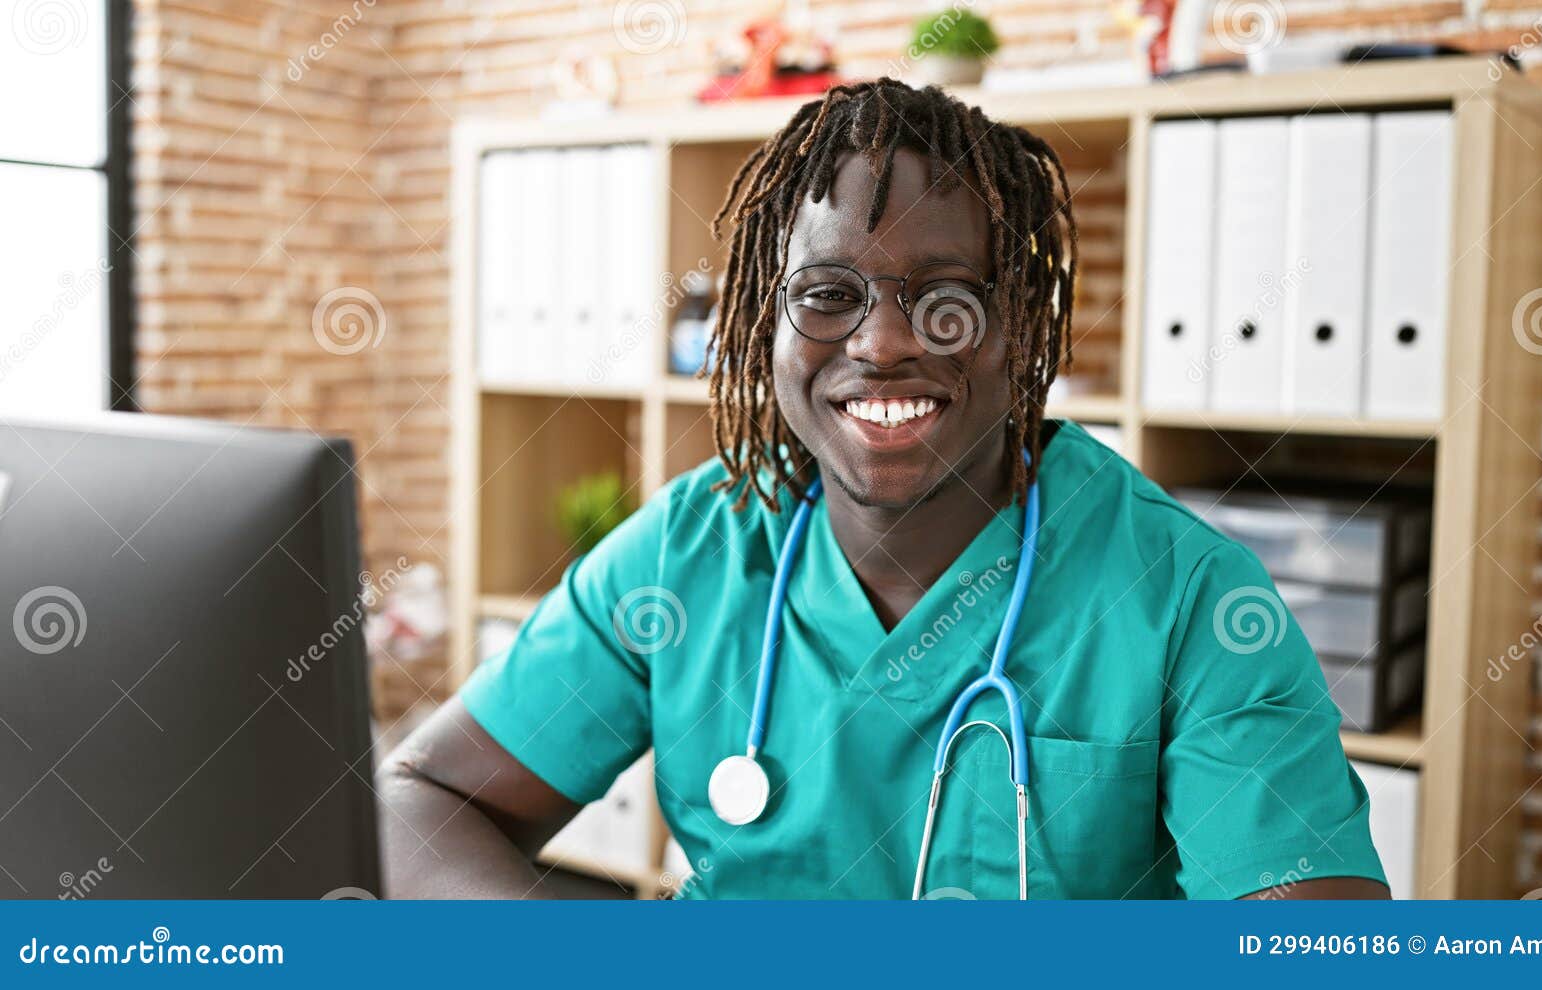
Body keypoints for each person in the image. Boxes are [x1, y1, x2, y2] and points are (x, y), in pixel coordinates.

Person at [379, 79, 1389, 900]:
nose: (883, 342)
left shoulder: (1188, 596)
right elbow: (417, 800)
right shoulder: (692, 550)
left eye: (946, 297)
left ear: (1021, 328)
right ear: (761, 329)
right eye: (828, 295)